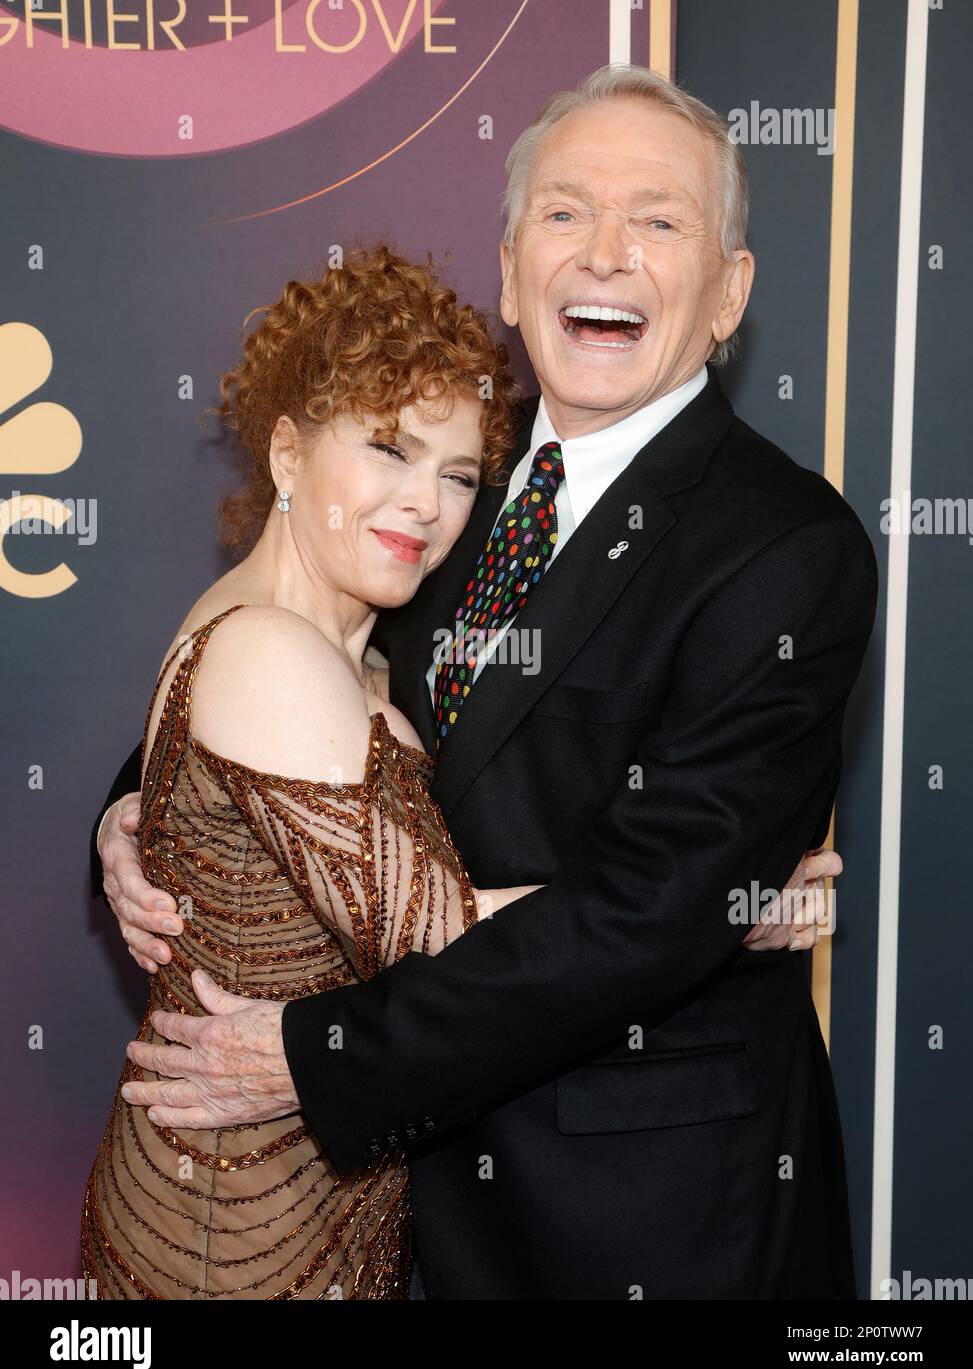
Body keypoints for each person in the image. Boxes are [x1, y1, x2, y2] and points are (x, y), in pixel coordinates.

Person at [91, 65, 874, 1300]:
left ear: (729, 296)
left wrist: (318, 1056)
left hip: (643, 1220)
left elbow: (643, 915)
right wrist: (139, 811)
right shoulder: (445, 469)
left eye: (659, 220)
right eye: (566, 212)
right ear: (510, 270)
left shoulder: (786, 547)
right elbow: (284, 662)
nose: (605, 252)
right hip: (394, 1211)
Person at [81, 242, 547, 1298]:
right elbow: (440, 936)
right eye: (388, 448)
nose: (424, 503)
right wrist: (713, 900)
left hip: (327, 1199)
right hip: (223, 1235)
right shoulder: (268, 648)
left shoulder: (364, 650)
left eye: (458, 472)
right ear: (288, 455)